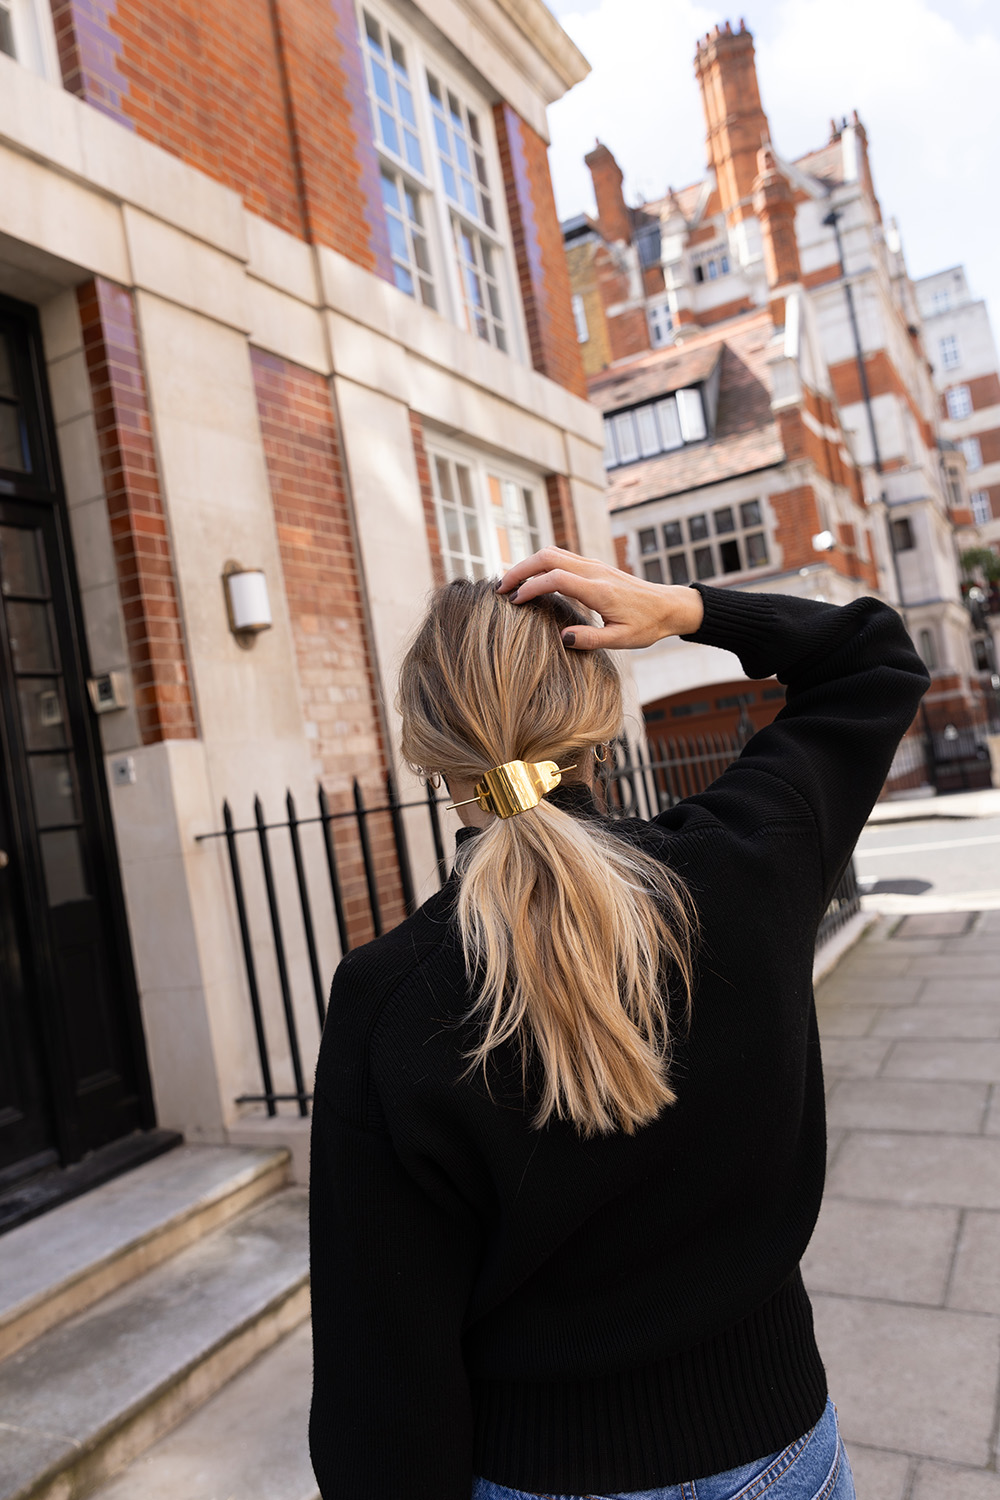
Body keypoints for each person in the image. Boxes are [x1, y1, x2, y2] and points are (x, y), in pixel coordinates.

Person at [308, 546, 930, 1500]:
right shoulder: (747, 864)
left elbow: (380, 1369)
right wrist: (683, 609)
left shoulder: (389, 998)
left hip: (541, 1475)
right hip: (777, 1452)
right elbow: (872, 655)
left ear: (426, 745)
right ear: (599, 709)